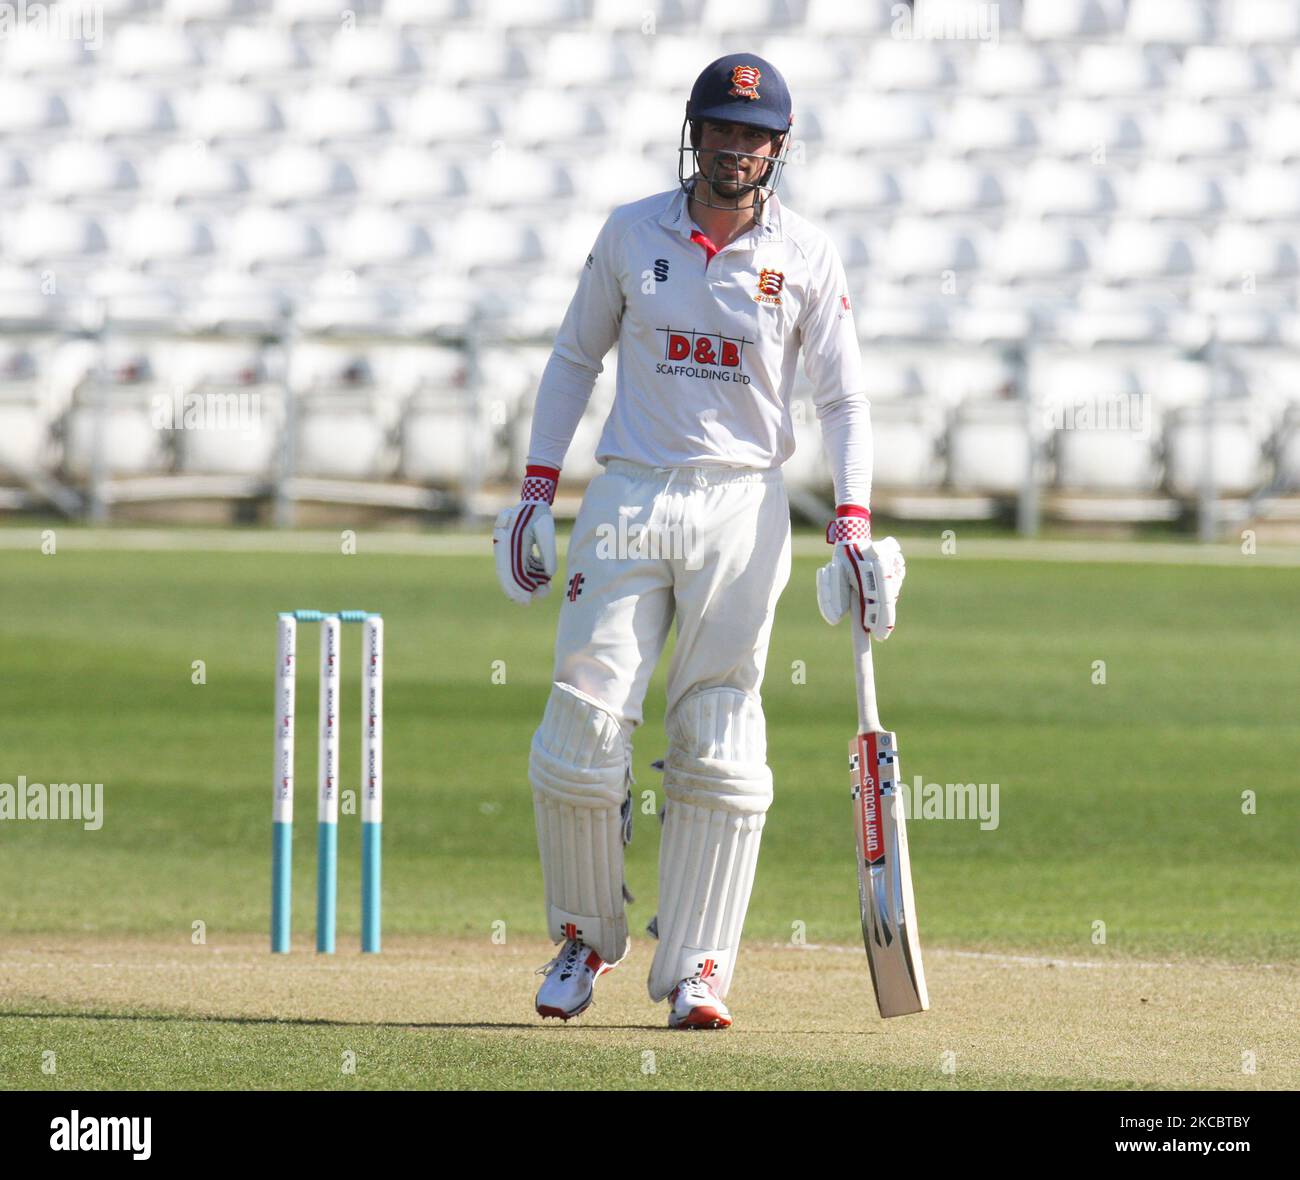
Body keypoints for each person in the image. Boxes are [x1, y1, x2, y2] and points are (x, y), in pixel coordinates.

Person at [493, 53, 904, 1030]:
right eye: (720, 128)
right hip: (629, 491)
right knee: (581, 731)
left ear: (778, 148)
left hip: (741, 505)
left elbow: (844, 397)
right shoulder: (631, 232)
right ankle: (585, 937)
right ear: (696, 133)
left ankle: (698, 967)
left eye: (752, 134)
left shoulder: (804, 254)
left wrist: (852, 522)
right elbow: (572, 358)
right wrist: (533, 492)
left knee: (719, 738)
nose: (734, 147)